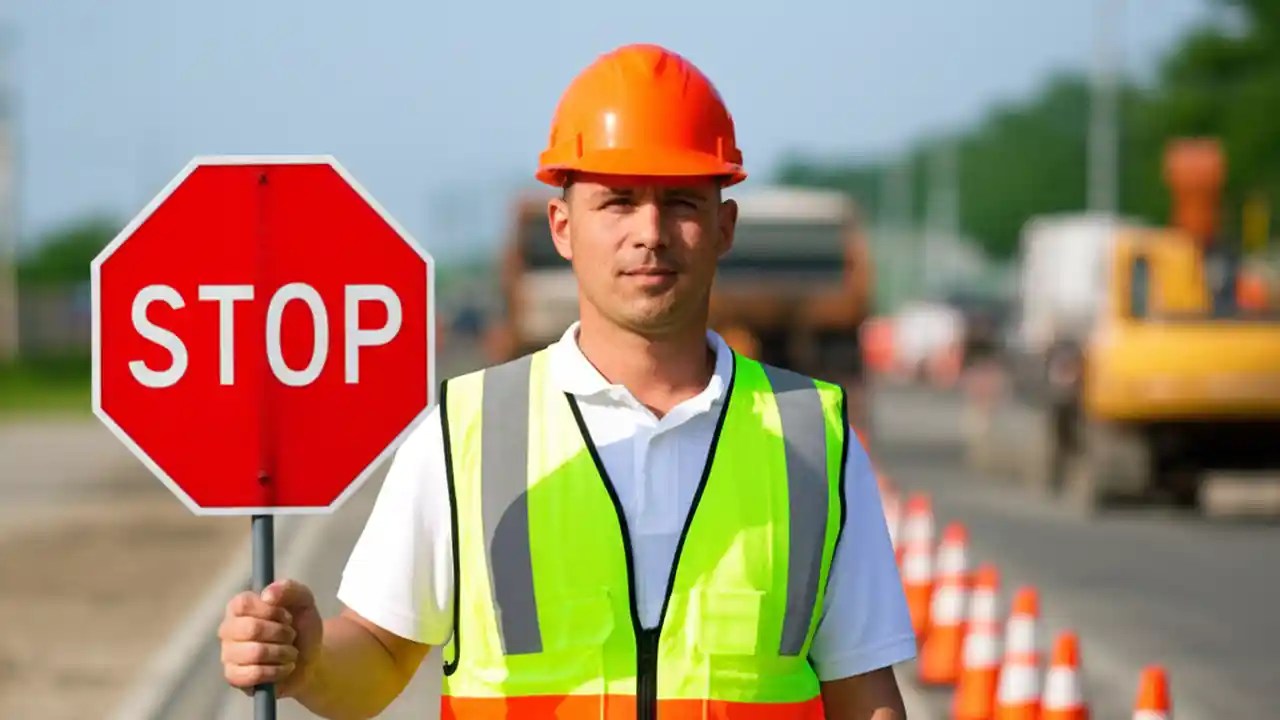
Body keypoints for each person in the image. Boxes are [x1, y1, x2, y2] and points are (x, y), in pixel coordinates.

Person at [219, 43, 916, 719]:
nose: (650, 231)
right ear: (561, 226)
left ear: (725, 226)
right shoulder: (469, 431)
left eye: (681, 203)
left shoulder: (811, 438)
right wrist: (306, 660)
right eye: (617, 201)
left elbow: (865, 695)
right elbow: (376, 655)